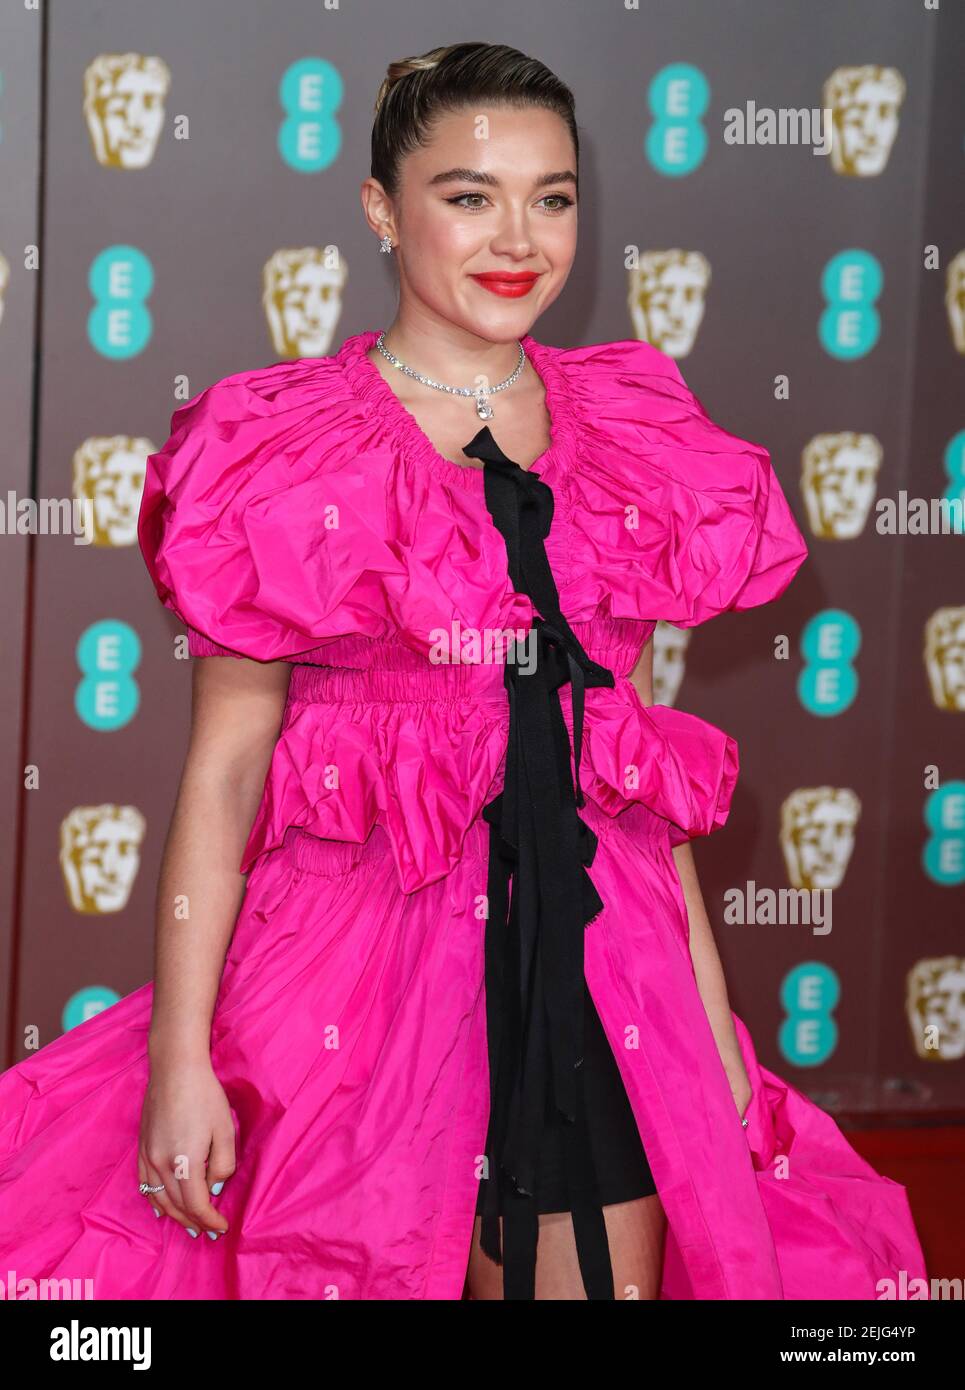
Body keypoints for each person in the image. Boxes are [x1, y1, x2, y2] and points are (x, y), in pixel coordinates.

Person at [0, 41, 927, 1302]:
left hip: (607, 974)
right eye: (467, 194)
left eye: (551, 196)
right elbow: (224, 778)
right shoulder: (281, 448)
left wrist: (706, 1017)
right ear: (381, 209)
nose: (519, 237)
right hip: (356, 985)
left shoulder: (634, 430)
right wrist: (180, 1056)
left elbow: (629, 755)